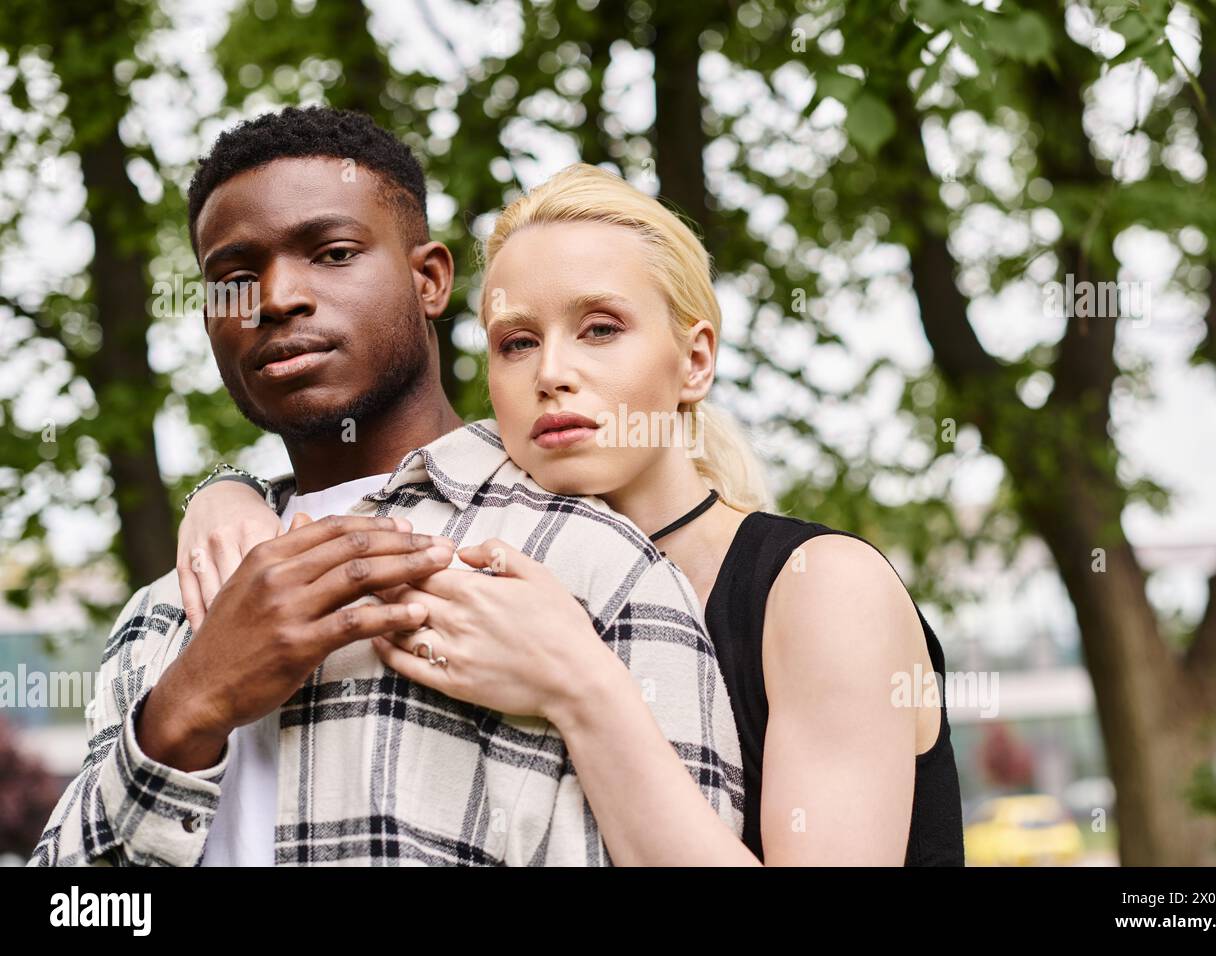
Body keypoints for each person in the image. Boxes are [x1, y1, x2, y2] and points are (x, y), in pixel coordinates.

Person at [181, 162, 965, 865]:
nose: (553, 373)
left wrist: (582, 689)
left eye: (600, 329)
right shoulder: (504, 561)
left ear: (695, 359)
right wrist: (227, 492)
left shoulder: (820, 588)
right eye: (517, 342)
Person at [28, 107, 743, 867]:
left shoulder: (595, 563)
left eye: (333, 253)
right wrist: (183, 713)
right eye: (234, 280)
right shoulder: (160, 614)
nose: (274, 298)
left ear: (429, 279)